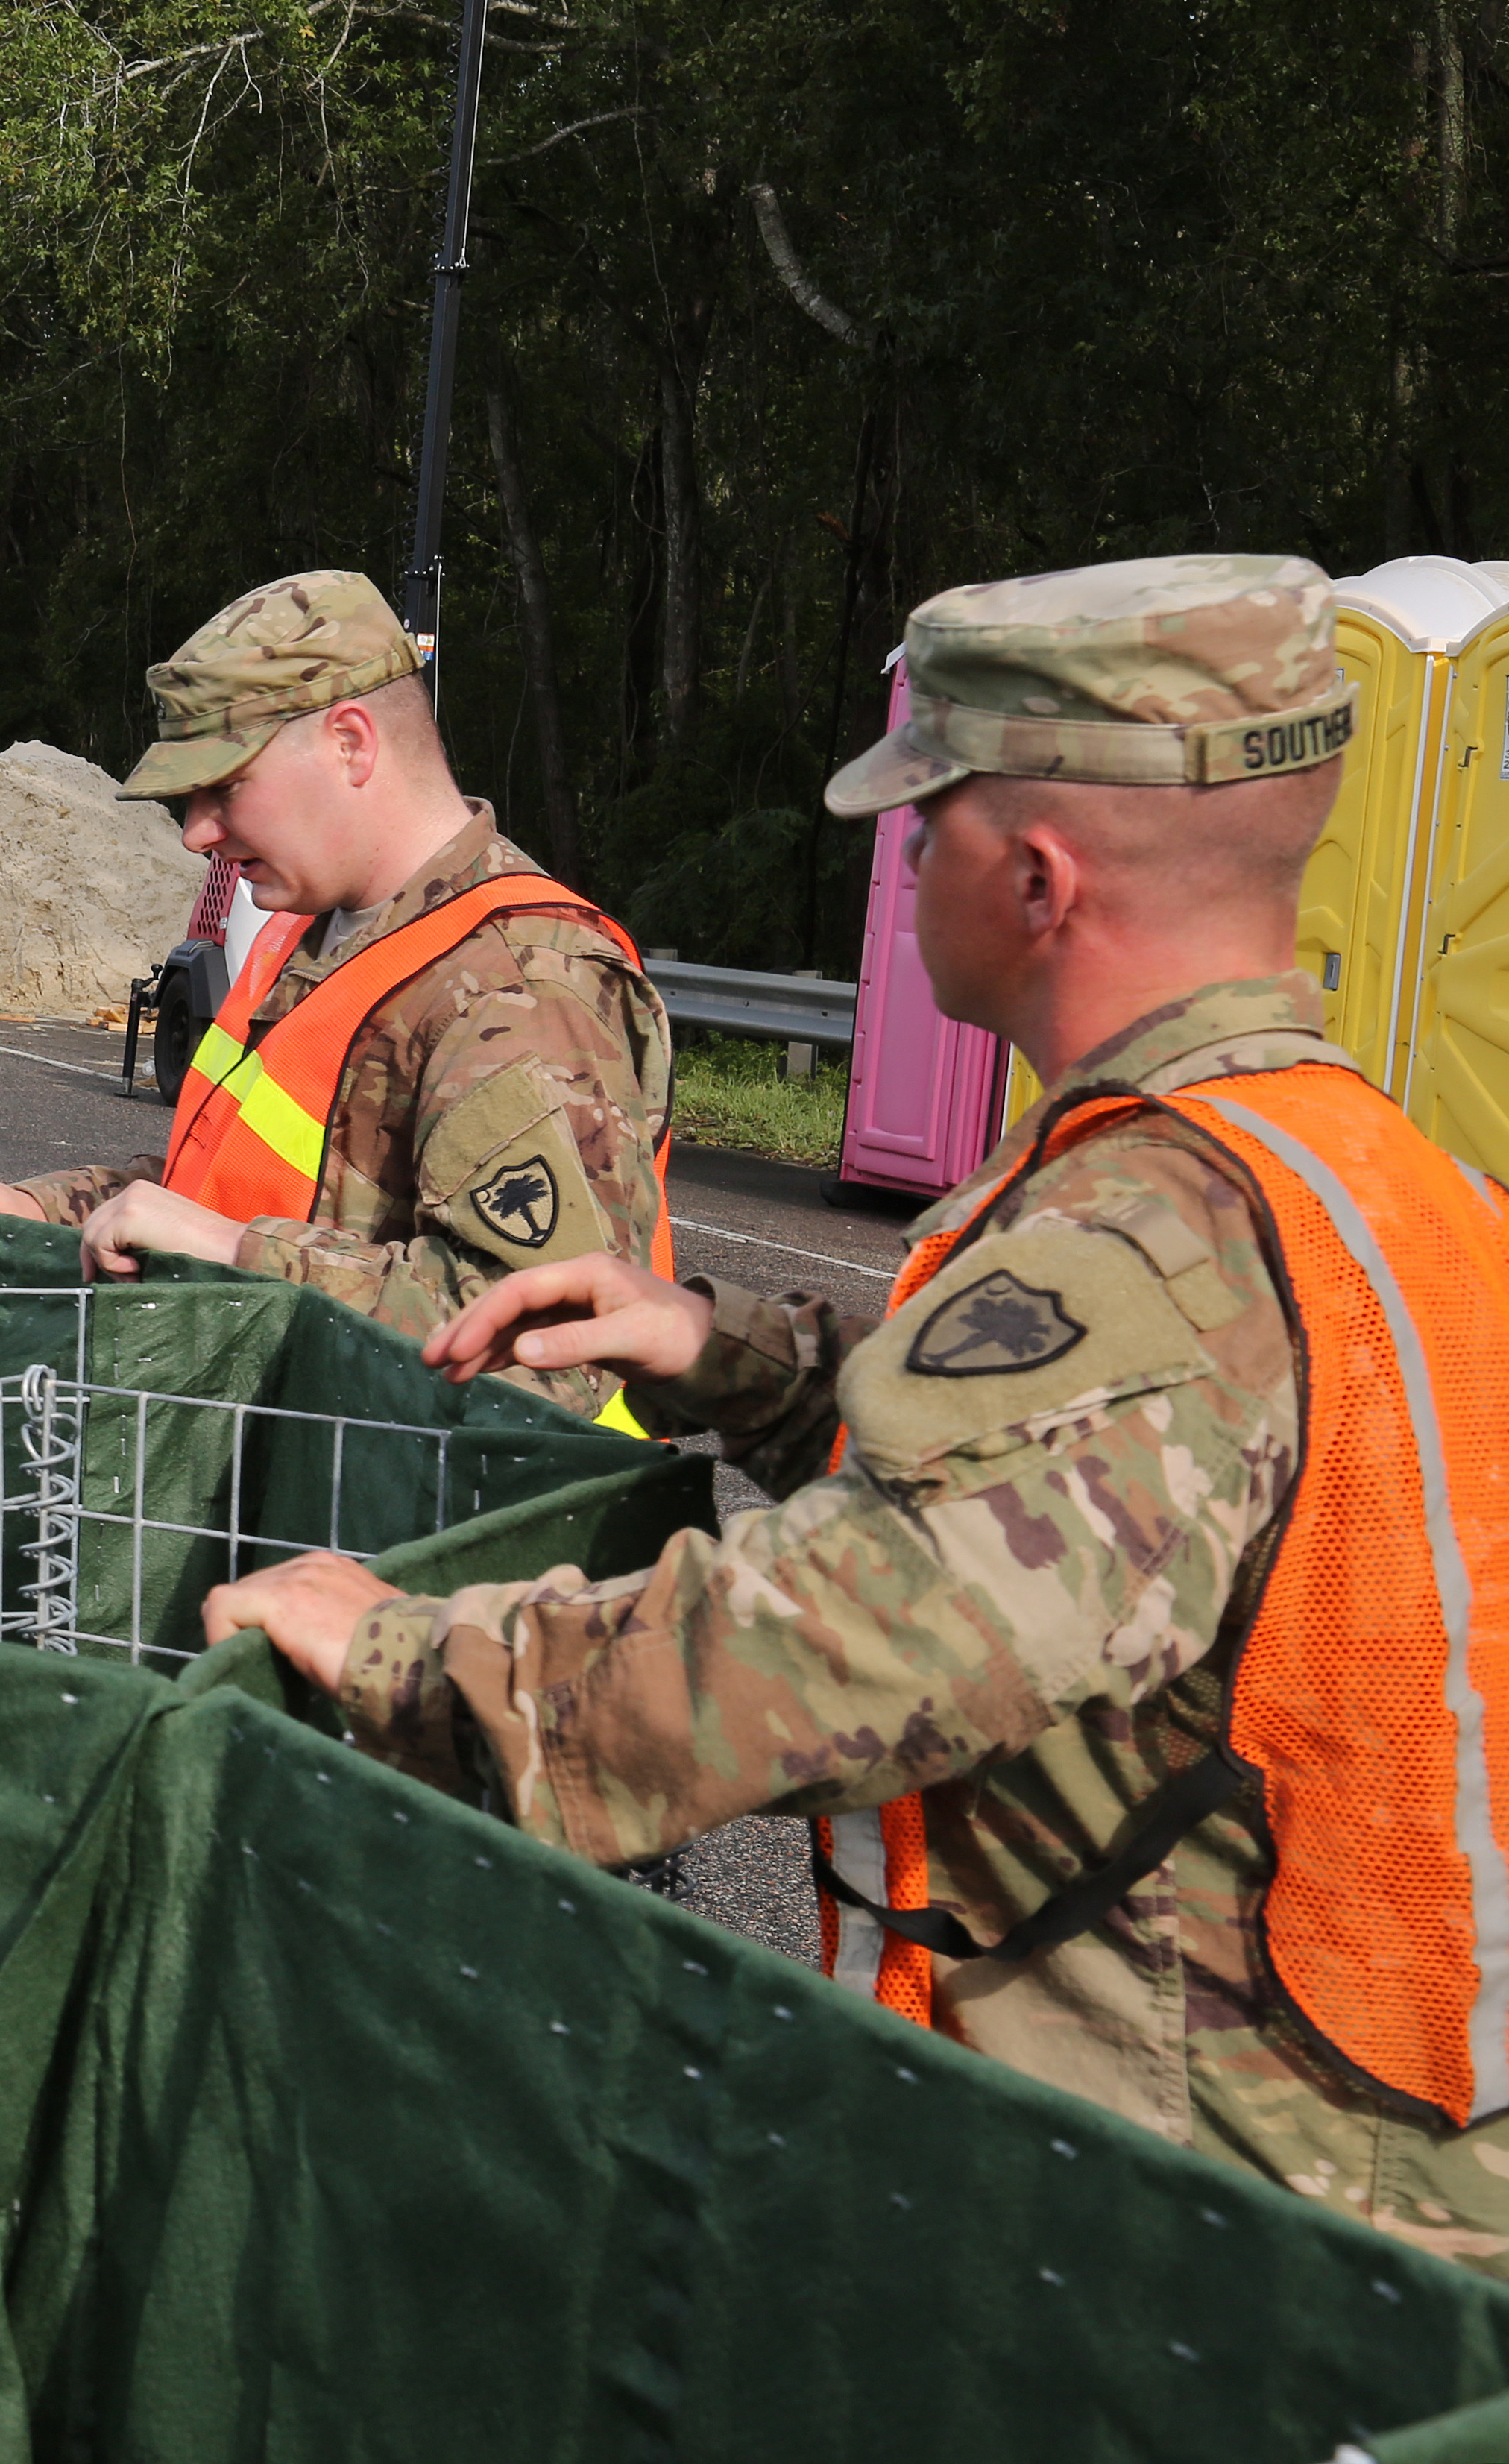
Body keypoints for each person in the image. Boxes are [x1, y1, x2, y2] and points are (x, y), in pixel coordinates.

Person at [207, 554, 1509, 2265]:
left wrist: (392, 1650)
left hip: (1195, 2216)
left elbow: (824, 1657)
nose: (898, 869)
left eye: (922, 826)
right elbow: (1113, 1519)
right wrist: (712, 1346)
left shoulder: (1146, 1242)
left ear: (1034, 876)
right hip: (1372, 2128)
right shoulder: (1370, 1172)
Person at [0, 570, 671, 1425]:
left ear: (350, 743)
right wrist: (42, 1209)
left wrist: (234, 1254)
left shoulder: (523, 985)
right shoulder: (316, 939)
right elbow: (231, 1194)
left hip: (475, 1529)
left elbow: (554, 1337)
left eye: (225, 788)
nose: (198, 835)